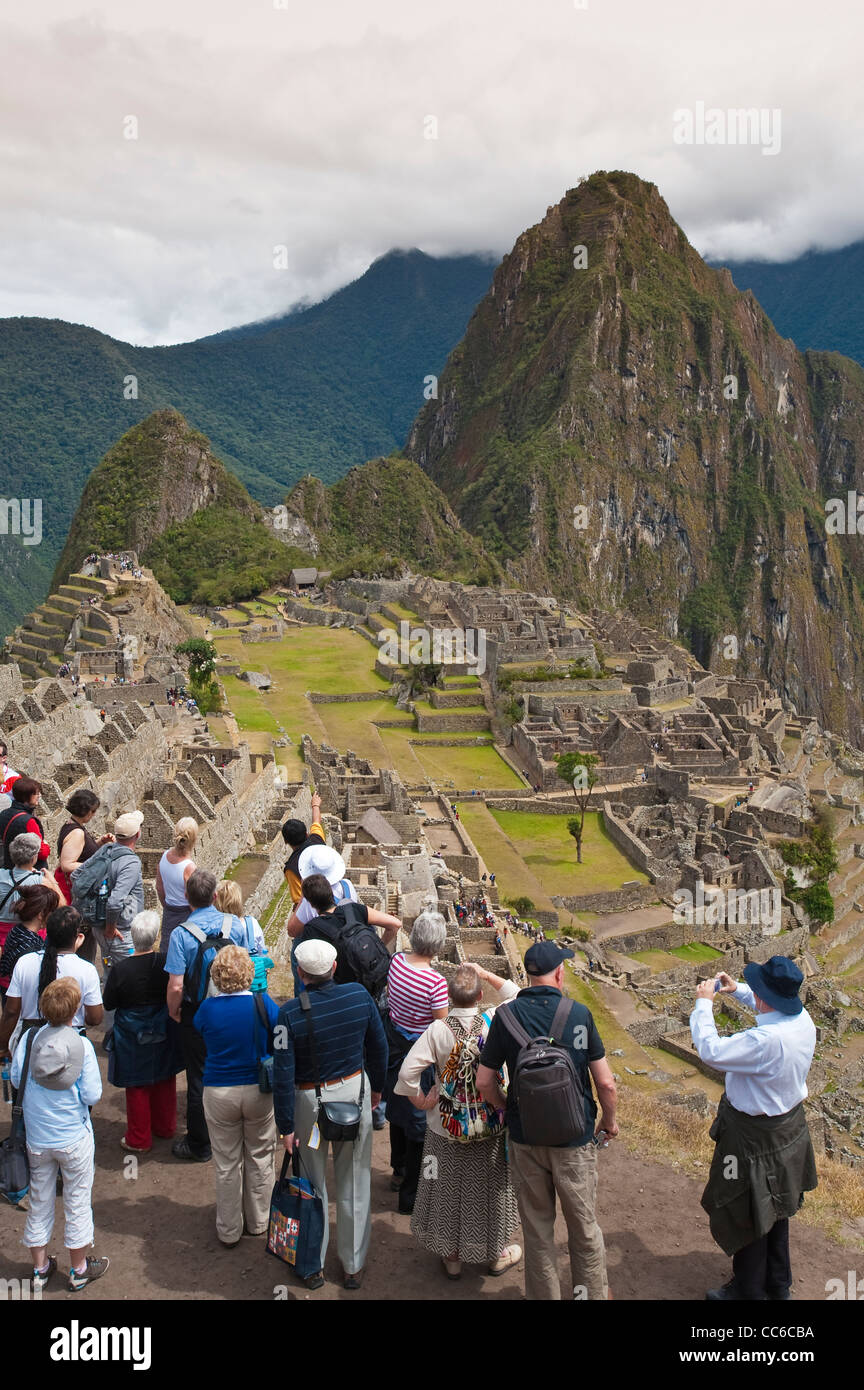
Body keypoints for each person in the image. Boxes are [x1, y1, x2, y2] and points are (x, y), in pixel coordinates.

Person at [477, 941, 618, 1301]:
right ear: (559, 972)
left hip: (526, 1138)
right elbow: (605, 1082)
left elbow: (483, 1081)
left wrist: (509, 1108)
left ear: (528, 974)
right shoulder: (578, 1015)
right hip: (574, 1137)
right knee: (584, 1229)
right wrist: (608, 1121)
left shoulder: (506, 1017)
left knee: (538, 1232)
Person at [691, 959, 818, 1302]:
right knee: (776, 1209)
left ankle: (748, 1292)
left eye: (757, 988)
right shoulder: (802, 1021)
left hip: (753, 1136)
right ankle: (777, 1284)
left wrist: (704, 1003)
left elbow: (711, 1051)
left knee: (748, 1209)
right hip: (787, 1130)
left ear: (766, 996)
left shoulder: (766, 1041)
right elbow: (772, 1007)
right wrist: (741, 992)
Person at [395, 962, 522, 1280]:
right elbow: (519, 994)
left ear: (450, 999)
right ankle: (494, 1254)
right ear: (480, 994)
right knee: (490, 1189)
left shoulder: (438, 1030)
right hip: (490, 1123)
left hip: (446, 1126)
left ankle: (452, 1257)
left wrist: (424, 1101)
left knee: (447, 1189)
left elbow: (406, 1073)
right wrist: (488, 973)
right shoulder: (495, 1020)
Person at [273, 939, 388, 1290]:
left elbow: (282, 1070)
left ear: (299, 972)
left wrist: (286, 1126)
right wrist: (377, 1091)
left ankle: (312, 1264)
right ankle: (352, 1266)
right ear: (335, 968)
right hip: (354, 1091)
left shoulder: (288, 1014)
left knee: (311, 1183)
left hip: (311, 1099)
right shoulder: (359, 997)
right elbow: (379, 1047)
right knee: (354, 1180)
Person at [10, 977, 108, 1293]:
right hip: (74, 1137)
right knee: (78, 1200)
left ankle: (40, 1268)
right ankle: (79, 1268)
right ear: (75, 1010)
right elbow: (92, 1095)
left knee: (40, 1199)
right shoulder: (81, 1046)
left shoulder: (28, 1040)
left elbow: (15, 1077)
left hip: (38, 1138)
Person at [165, 869, 256, 1162]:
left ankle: (200, 1144)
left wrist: (174, 1010)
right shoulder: (235, 926)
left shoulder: (181, 935)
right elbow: (244, 964)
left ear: (187, 898)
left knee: (198, 1077)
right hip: (235, 1005)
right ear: (214, 896)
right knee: (236, 1065)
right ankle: (236, 1132)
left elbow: (176, 984)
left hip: (199, 1012)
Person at [193, 945, 279, 1246]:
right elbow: (278, 1035)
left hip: (220, 1090)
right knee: (260, 1155)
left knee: (227, 1161)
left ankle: (229, 1229)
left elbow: (200, 1030)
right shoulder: (263, 1004)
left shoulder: (207, 1009)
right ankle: (259, 1220)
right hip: (257, 1088)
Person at [102, 909, 183, 1156]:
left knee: (137, 1084)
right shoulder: (165, 963)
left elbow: (109, 1003)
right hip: (160, 1024)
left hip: (132, 1029)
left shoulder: (121, 969)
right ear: (155, 936)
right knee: (164, 1076)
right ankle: (166, 1126)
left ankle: (139, 1137)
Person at [384, 910, 449, 1215]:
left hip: (394, 1044)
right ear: (437, 947)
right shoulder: (435, 983)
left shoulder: (397, 962)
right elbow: (441, 1028)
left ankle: (397, 1170)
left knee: (398, 1109)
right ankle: (412, 1195)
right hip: (419, 1053)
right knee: (419, 1123)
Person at [0, 907, 103, 1064]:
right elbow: (94, 1018)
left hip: (30, 1038)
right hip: (72, 1041)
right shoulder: (86, 970)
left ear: (47, 932)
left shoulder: (25, 962)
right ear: (77, 937)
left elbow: (11, 1011)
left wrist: (2, 1047)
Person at [87, 811, 145, 1005]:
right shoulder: (130, 862)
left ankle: (111, 1019)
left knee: (109, 970)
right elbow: (114, 901)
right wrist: (111, 927)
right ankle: (126, 1025)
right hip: (120, 933)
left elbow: (78, 875)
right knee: (132, 979)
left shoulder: (105, 851)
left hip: (100, 930)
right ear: (137, 834)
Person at [0, 833, 65, 991]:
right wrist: (52, 881)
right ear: (34, 857)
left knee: (6, 982)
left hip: (2, 936)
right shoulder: (41, 881)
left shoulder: (1, 875)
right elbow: (63, 906)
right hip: (31, 934)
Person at [56, 789, 112, 963]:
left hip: (77, 889)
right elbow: (67, 864)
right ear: (86, 811)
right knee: (83, 939)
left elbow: (81, 853)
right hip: (77, 894)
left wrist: (99, 842)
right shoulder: (77, 833)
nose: (94, 815)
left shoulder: (72, 826)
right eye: (93, 811)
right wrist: (95, 867)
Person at [282, 843, 358, 943]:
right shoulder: (347, 885)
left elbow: (292, 931)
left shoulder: (310, 900)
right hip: (349, 942)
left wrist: (303, 896)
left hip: (327, 951)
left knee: (298, 942)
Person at [0, 885, 60, 1002]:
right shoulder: (32, 949)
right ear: (41, 914)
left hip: (7, 989)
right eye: (52, 911)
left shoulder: (17, 930)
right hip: (19, 999)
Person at [213, 879, 275, 992]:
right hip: (250, 985)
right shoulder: (252, 924)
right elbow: (262, 951)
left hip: (224, 985)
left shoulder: (214, 928)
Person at [155, 817, 198, 952]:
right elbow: (192, 900)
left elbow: (159, 887)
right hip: (185, 913)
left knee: (167, 948)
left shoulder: (165, 856)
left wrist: (167, 906)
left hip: (169, 910)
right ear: (194, 839)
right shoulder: (189, 868)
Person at [281, 792, 325, 905]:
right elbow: (316, 821)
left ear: (286, 841)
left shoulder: (292, 868)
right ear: (306, 834)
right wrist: (315, 805)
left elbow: (299, 902)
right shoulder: (317, 839)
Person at [0, 777, 50, 867]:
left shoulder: (4, 814)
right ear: (26, 796)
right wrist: (46, 845)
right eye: (36, 793)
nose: (39, 796)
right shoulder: (28, 821)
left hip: (9, 865)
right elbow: (42, 853)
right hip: (28, 869)